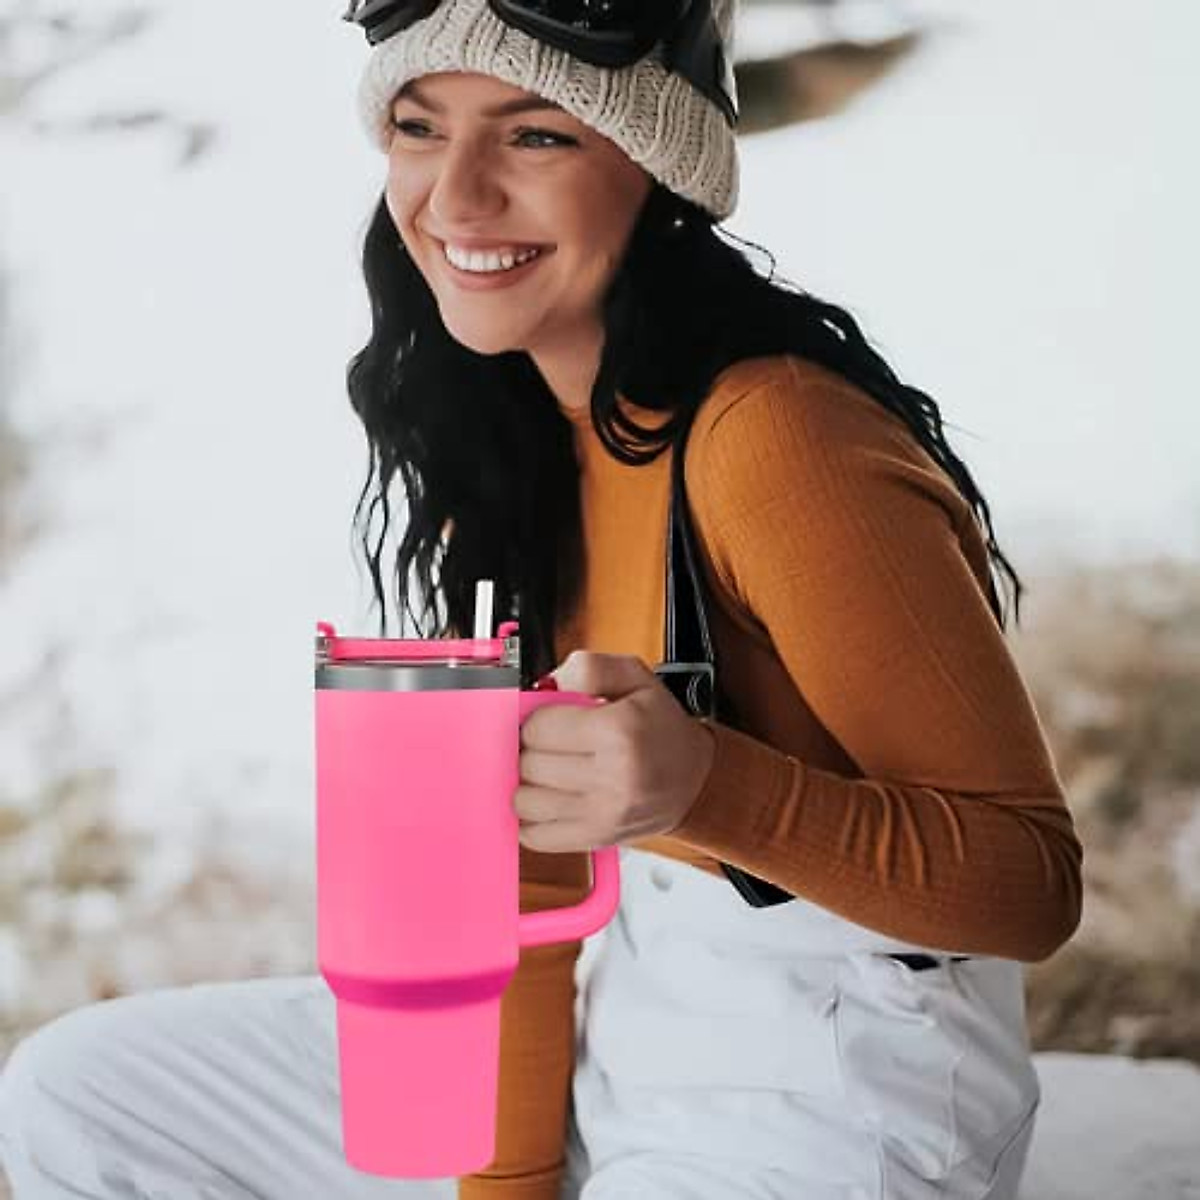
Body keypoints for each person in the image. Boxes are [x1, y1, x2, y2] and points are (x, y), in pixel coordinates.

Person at [0, 1, 1083, 1197]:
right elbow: (519, 898)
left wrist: (709, 785)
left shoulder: (773, 439)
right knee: (78, 1096)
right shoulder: (510, 440)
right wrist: (503, 1183)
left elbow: (1027, 883)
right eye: (420, 129)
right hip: (616, 1026)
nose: (456, 198)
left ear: (655, 169)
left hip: (823, 1086)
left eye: (535, 136)